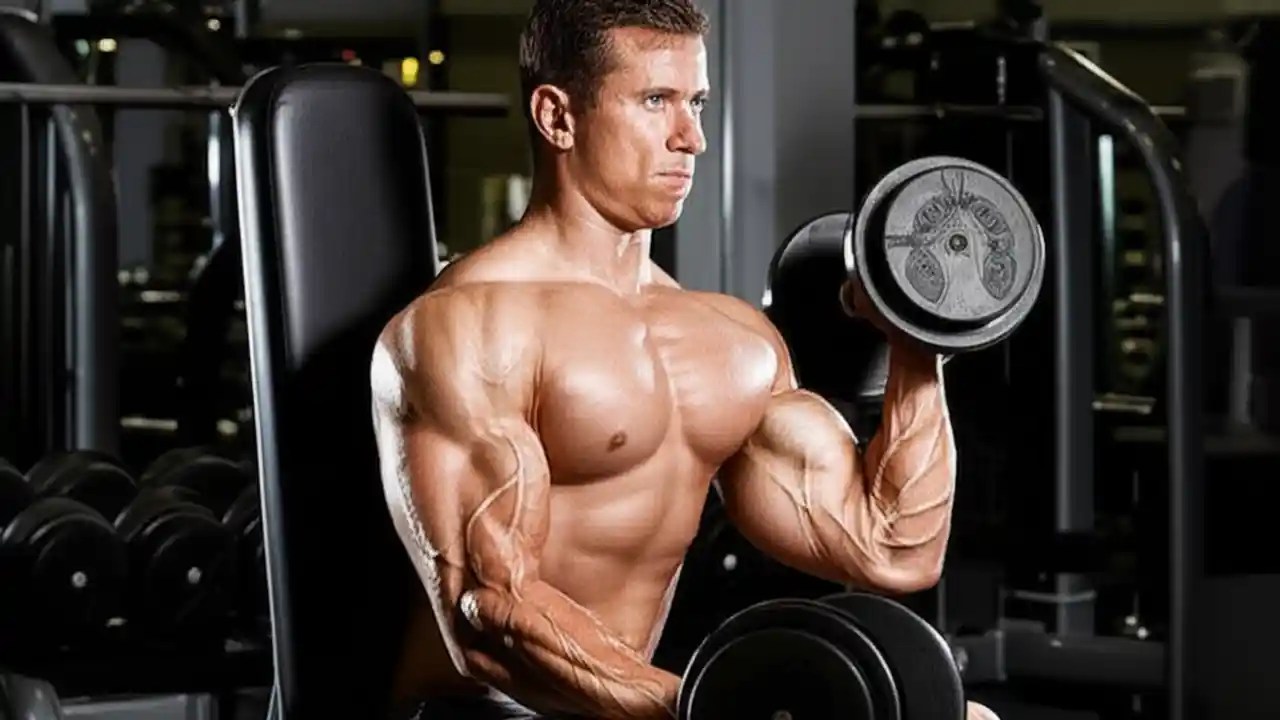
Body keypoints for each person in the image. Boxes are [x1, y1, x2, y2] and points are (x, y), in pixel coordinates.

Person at [371, 1, 994, 718]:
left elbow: (891, 549)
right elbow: (489, 617)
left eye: (695, 101)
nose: (691, 137)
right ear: (557, 117)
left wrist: (917, 343)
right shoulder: (469, 327)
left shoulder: (730, 340)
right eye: (655, 101)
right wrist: (714, 707)